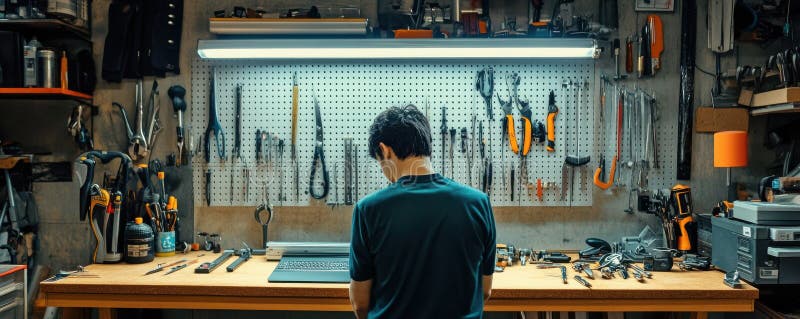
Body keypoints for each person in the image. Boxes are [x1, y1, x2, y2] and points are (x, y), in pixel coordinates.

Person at [349, 104, 497, 319]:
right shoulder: (478, 203)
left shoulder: (368, 209)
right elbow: (485, 290)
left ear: (384, 150)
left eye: (380, 161)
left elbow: (360, 304)